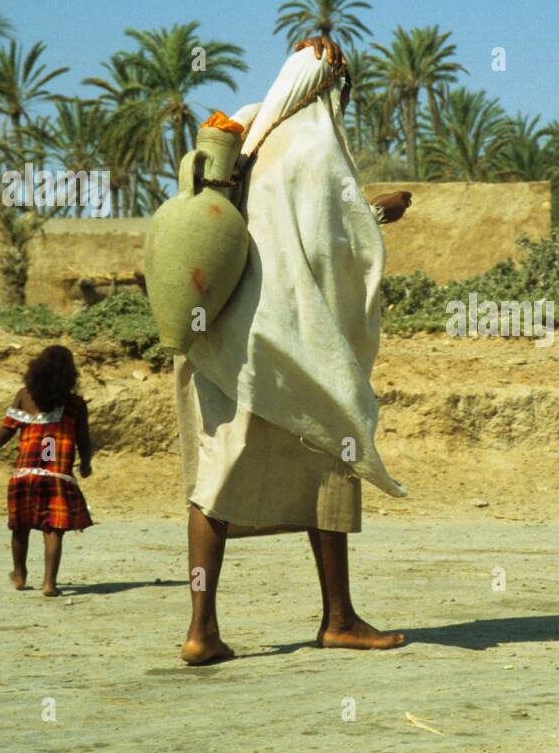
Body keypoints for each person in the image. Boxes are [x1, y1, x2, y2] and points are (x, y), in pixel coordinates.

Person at [173, 36, 410, 665]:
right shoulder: (314, 147)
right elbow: (332, 249)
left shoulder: (245, 137)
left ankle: (202, 629)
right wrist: (377, 213)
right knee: (332, 453)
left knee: (216, 479)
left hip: (225, 342)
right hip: (291, 342)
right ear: (332, 90)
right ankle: (338, 618)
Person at [0, 344, 94, 596]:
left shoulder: (24, 396)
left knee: (20, 526)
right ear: (69, 375)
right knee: (53, 529)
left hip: (26, 473)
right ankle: (49, 583)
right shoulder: (75, 404)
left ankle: (19, 575)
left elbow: (7, 430)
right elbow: (83, 439)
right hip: (57, 474)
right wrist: (86, 463)